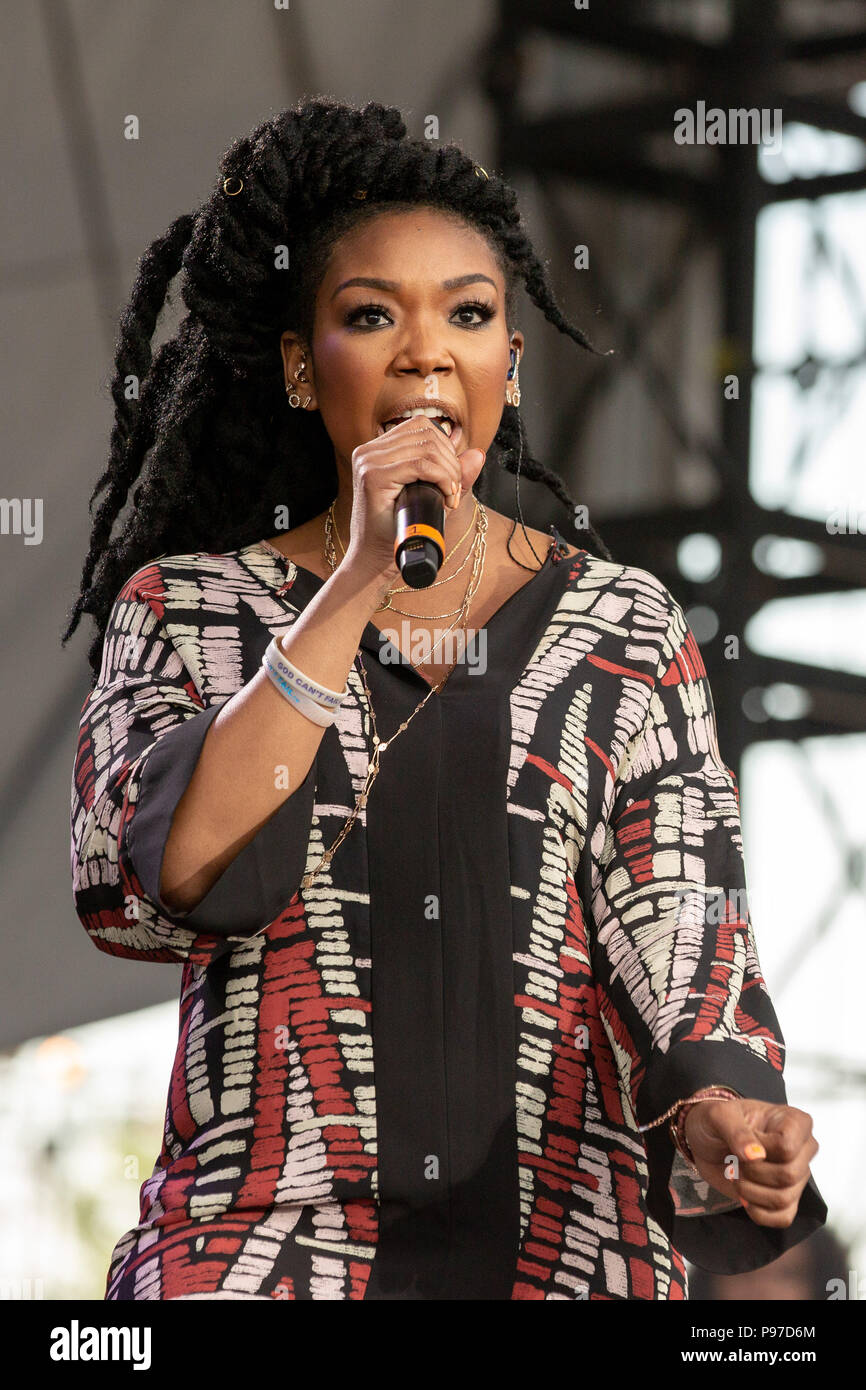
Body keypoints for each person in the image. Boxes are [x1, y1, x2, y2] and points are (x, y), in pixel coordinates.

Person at [63, 96, 826, 1301]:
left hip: (563, 1265)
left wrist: (724, 1121)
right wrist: (355, 581)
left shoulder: (619, 628)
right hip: (264, 1261)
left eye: (468, 315)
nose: (427, 352)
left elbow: (684, 943)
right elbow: (164, 880)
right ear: (302, 368)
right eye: (371, 316)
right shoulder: (191, 611)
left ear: (507, 365)